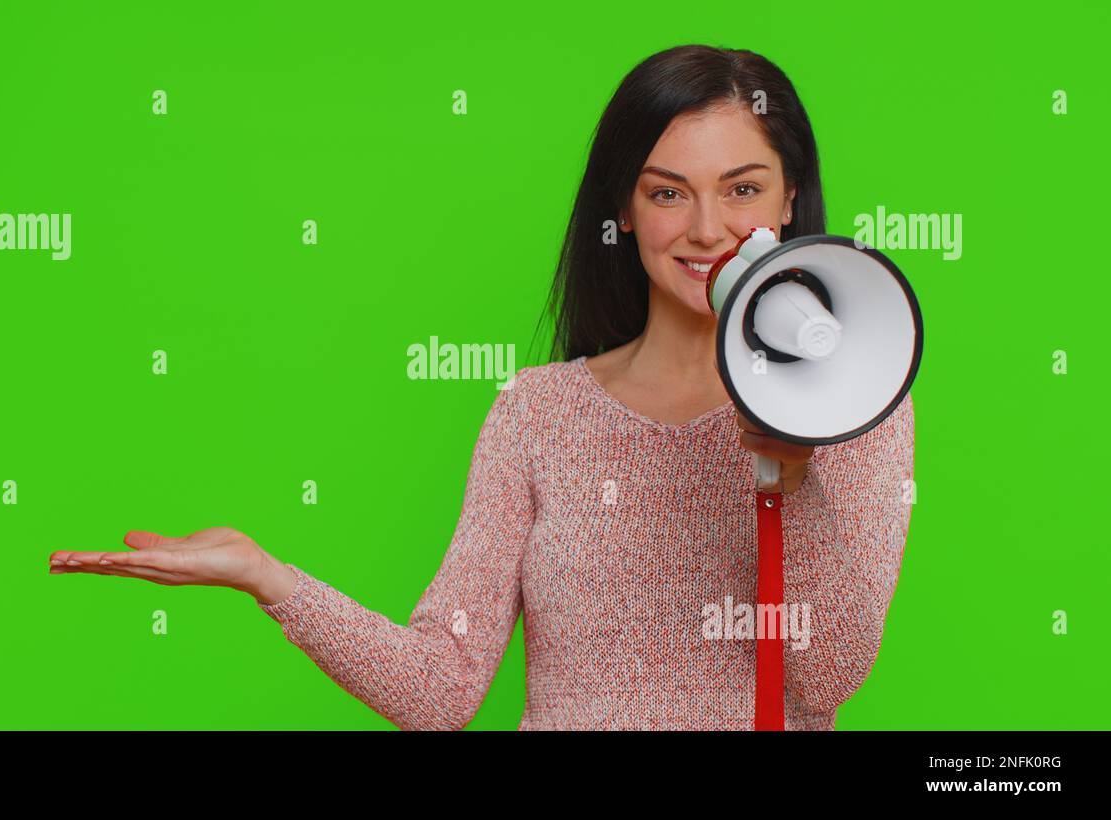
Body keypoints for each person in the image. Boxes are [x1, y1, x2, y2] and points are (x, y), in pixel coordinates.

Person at [48, 44, 915, 730]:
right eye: (666, 193)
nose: (707, 230)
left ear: (790, 197)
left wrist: (789, 481)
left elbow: (830, 675)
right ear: (623, 209)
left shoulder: (856, 396)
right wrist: (268, 577)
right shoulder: (538, 415)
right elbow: (443, 689)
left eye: (743, 190)